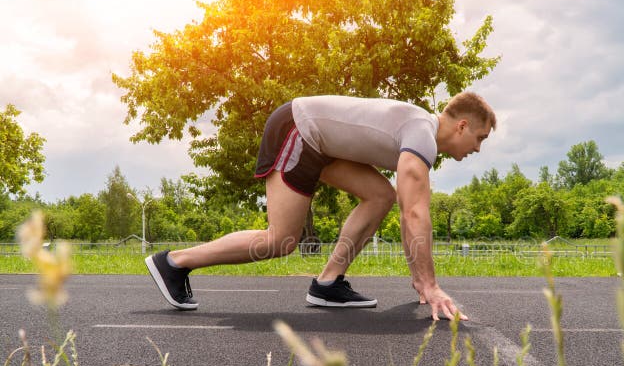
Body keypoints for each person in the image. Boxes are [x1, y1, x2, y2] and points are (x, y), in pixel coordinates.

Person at [145, 92, 495, 320]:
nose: (477, 148)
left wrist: (421, 279)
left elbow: (406, 205)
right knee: (280, 240)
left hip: (321, 143)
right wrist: (430, 285)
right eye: (479, 138)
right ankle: (174, 262)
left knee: (380, 195)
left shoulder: (420, 130)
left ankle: (327, 284)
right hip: (297, 129)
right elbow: (416, 212)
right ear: (462, 125)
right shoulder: (422, 134)